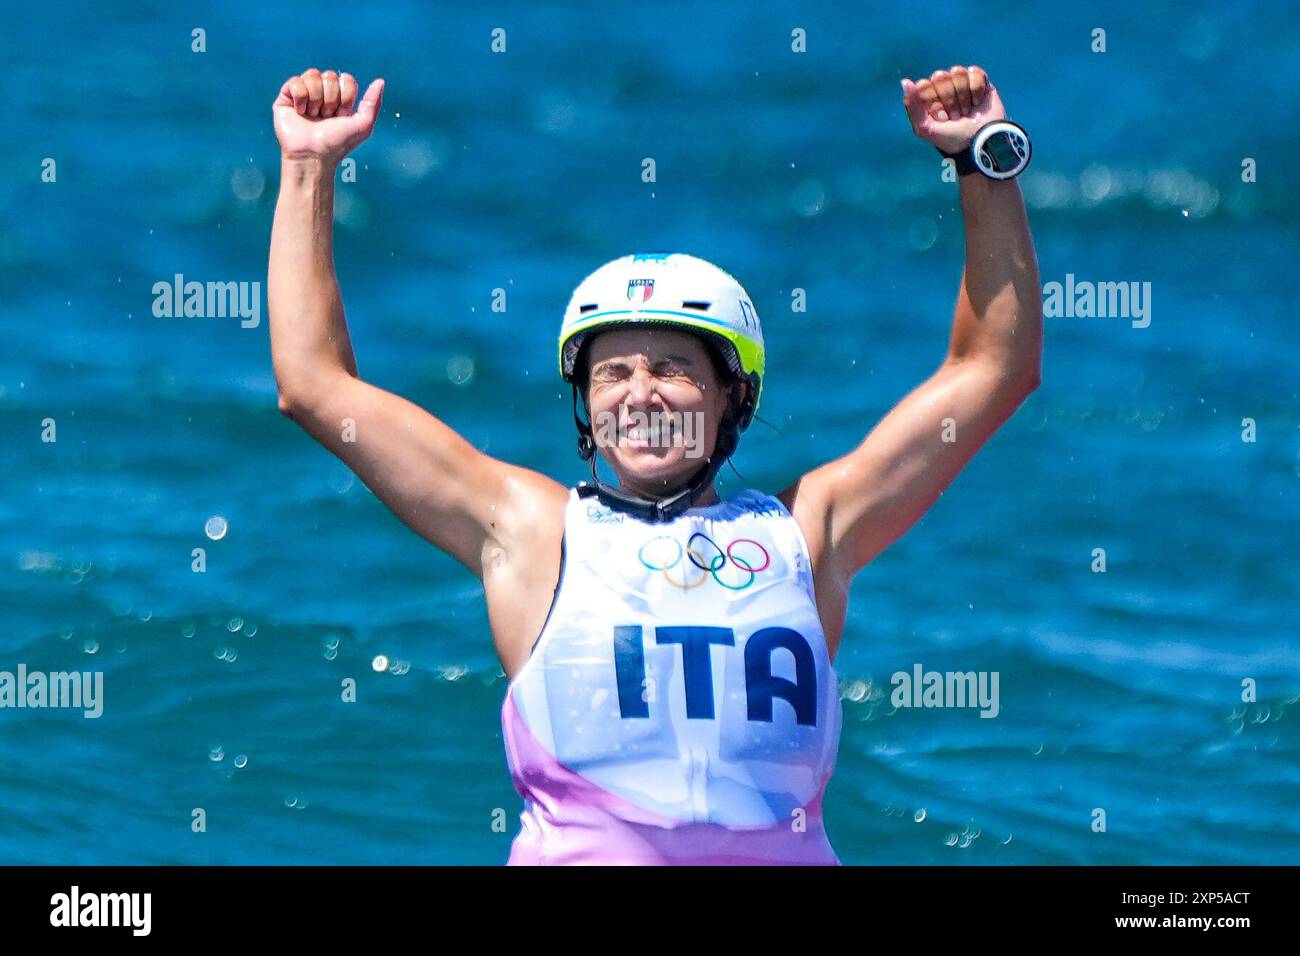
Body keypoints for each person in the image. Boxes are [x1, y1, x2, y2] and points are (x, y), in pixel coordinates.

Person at [268, 64, 1042, 865]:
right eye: (612, 372)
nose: (640, 394)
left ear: (729, 397)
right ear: (585, 403)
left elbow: (995, 369)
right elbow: (314, 385)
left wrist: (981, 160)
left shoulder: (813, 532)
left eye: (672, 368)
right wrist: (307, 165)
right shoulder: (529, 531)